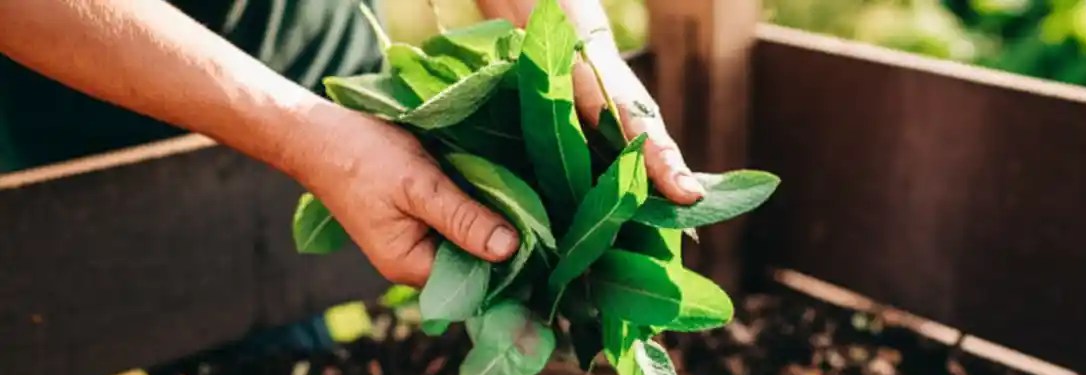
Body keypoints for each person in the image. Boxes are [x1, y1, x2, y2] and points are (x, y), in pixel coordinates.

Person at [0, 0, 703, 289]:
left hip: (313, 83)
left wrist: (583, 49)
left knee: (268, 367)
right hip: (70, 100)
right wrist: (302, 133)